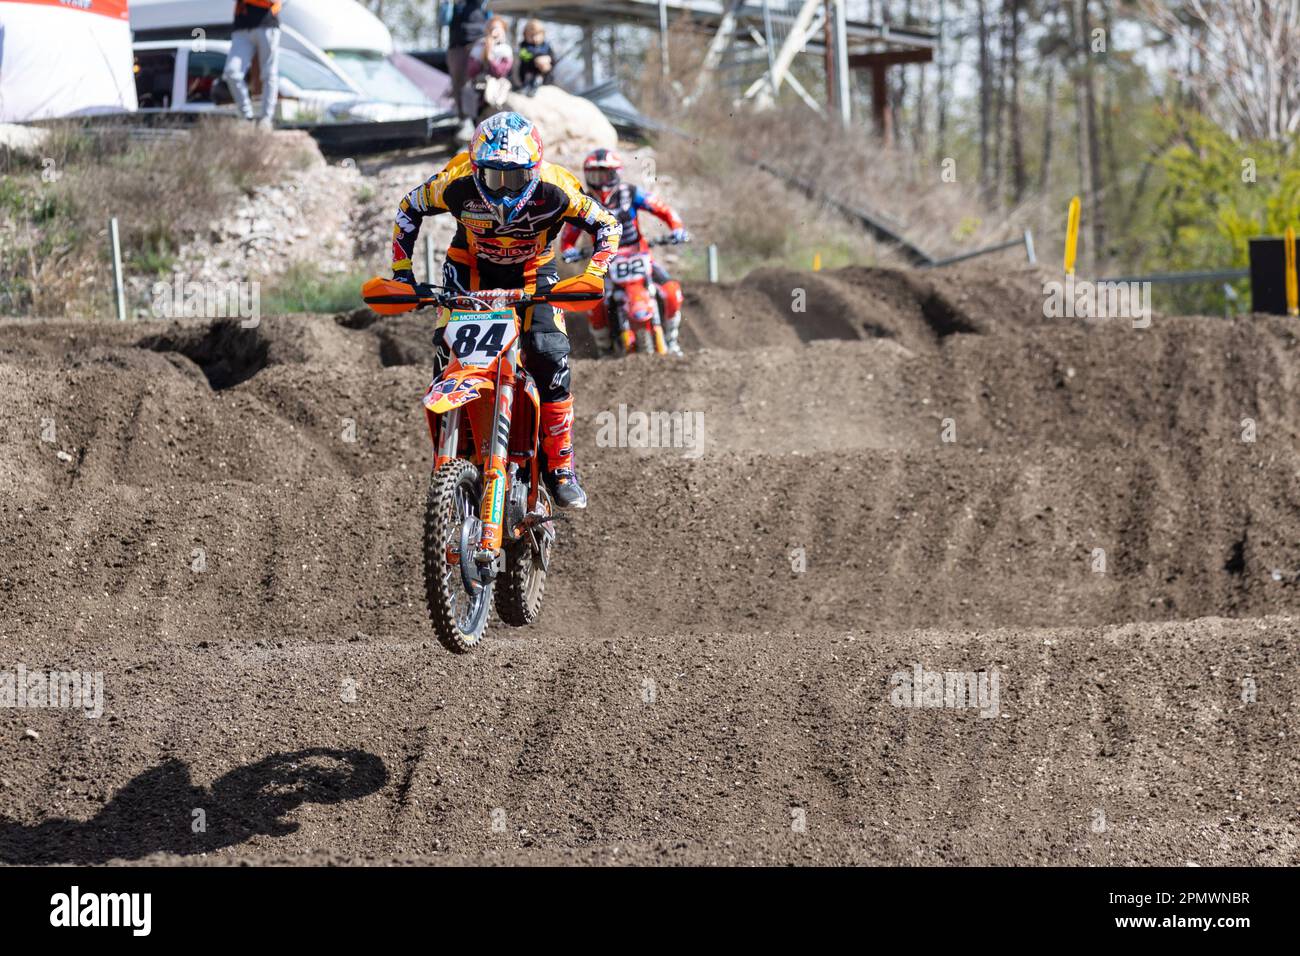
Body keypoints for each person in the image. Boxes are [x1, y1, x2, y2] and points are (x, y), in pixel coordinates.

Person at [389, 112, 622, 509]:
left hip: (533, 273)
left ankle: (562, 465)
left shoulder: (557, 188)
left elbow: (608, 226)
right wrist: (401, 274)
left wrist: (594, 273)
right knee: (448, 357)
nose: (502, 189)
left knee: (548, 353)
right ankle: (452, 456)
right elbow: (408, 208)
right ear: (477, 169)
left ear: (534, 169)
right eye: (493, 177)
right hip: (471, 270)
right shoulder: (455, 183)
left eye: (513, 178)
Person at [560, 148, 690, 355]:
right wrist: (568, 251)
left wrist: (677, 228)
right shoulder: (583, 203)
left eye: (607, 174)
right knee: (594, 304)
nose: (602, 181)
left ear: (617, 173)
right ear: (587, 176)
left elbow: (662, 209)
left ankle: (672, 340)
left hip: (638, 255)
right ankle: (604, 349)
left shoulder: (630, 193)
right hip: (604, 262)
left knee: (672, 292)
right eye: (596, 175)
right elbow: (568, 236)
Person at [223, 0, 282, 129]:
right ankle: (247, 117)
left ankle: (266, 118)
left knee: (269, 73)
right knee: (232, 72)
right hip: (242, 28)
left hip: (266, 24)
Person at [445, 0, 491, 139]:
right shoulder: (453, 4)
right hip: (456, 46)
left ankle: (480, 121)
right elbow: (443, 19)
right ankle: (465, 122)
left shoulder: (479, 4)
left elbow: (488, 13)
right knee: (459, 85)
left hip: (477, 42)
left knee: (476, 84)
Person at [462, 16, 513, 122]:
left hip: (497, 82)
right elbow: (471, 71)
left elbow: (500, 72)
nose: (494, 31)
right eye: (491, 28)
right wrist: (483, 53)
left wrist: (490, 57)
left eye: (497, 28)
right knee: (467, 90)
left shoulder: (505, 50)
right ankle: (469, 121)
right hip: (479, 81)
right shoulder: (478, 46)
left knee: (492, 90)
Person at [516, 19, 555, 94]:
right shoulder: (523, 46)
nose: (534, 38)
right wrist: (536, 60)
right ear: (525, 35)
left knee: (546, 69)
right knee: (529, 74)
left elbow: (553, 59)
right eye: (531, 35)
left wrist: (547, 60)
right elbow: (524, 57)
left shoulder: (546, 46)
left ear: (543, 35)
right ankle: (528, 87)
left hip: (544, 73)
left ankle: (541, 84)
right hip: (528, 72)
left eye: (537, 35)